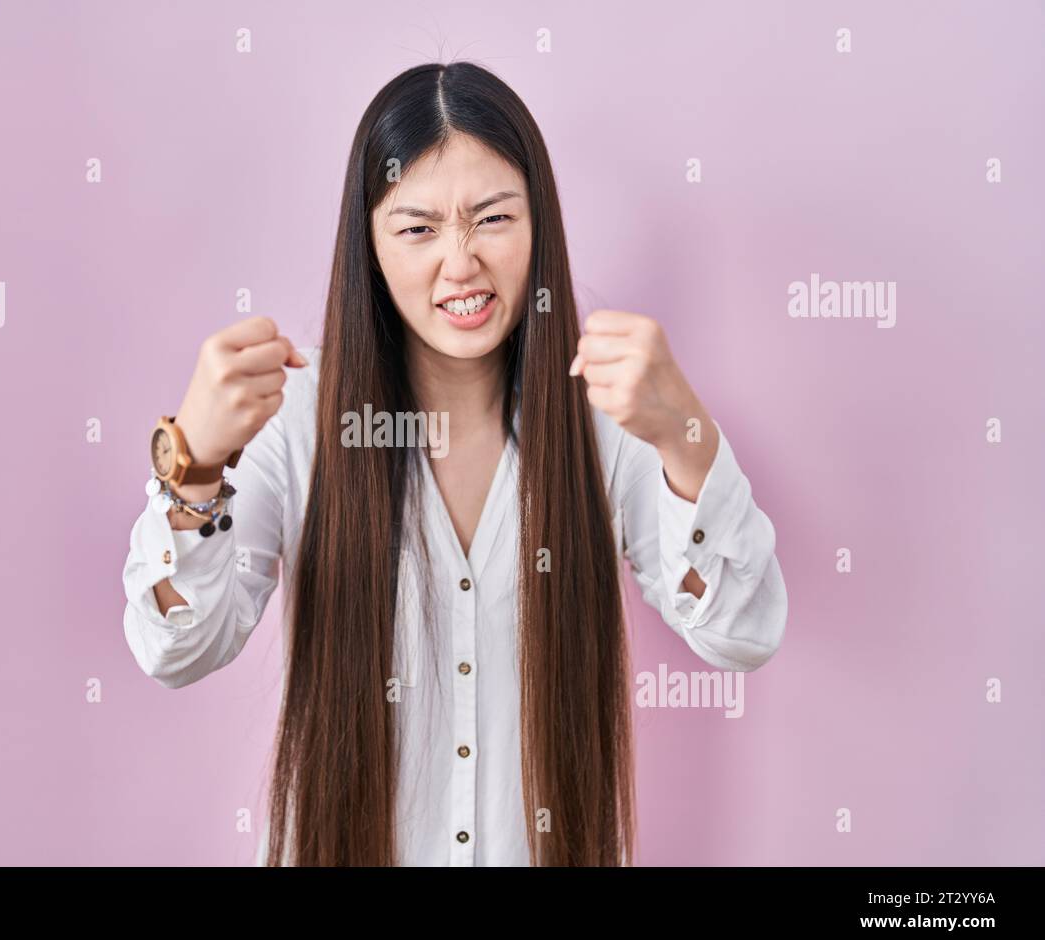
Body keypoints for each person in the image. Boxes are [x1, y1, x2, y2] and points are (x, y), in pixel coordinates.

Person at [122, 61, 788, 866]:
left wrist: (685, 433)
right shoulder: (299, 419)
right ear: (368, 244)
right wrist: (194, 464)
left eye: (493, 218)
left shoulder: (603, 418)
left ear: (539, 222)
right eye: (418, 228)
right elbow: (176, 651)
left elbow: (742, 633)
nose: (461, 263)